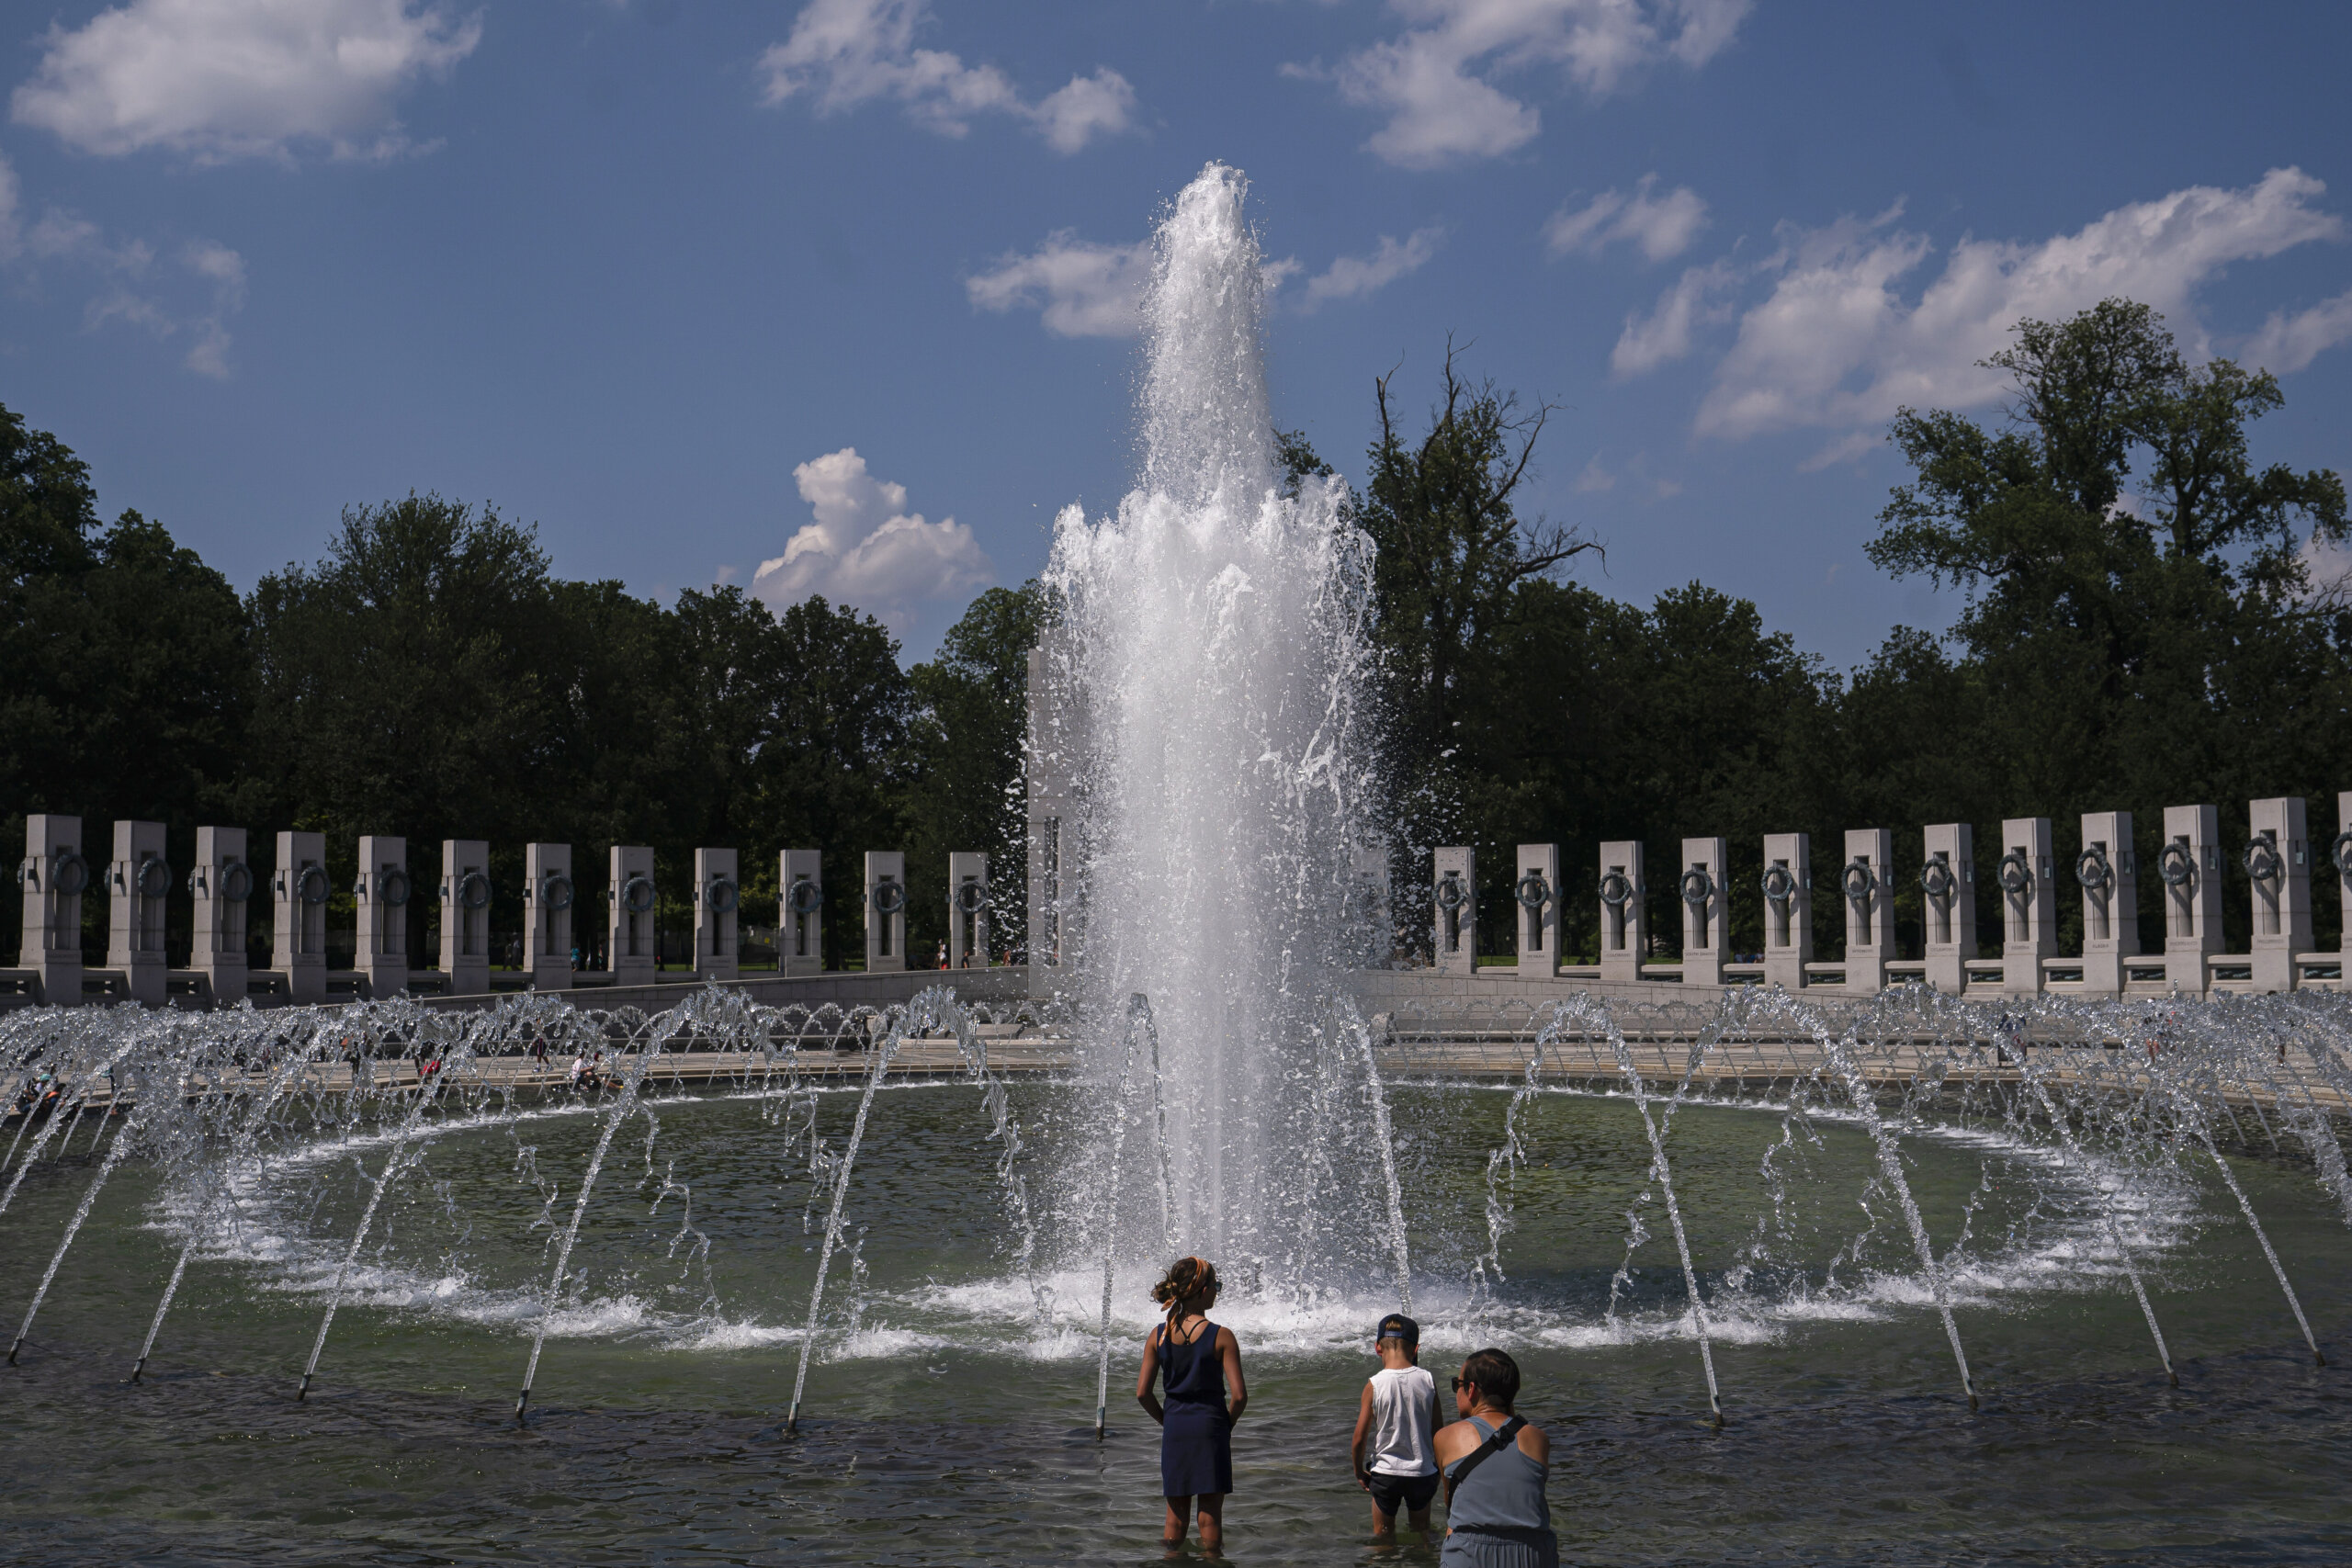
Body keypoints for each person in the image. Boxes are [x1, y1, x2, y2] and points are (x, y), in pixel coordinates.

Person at [1136, 1256, 1247, 1556]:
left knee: (1175, 1516)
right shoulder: (1221, 1336)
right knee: (1210, 1515)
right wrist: (1226, 1425)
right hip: (1211, 1428)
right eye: (1216, 1285)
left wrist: (1167, 1420)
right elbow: (1239, 1396)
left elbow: (1142, 1393)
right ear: (1201, 1290)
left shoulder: (1157, 1336)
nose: (1217, 1291)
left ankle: (1171, 1561)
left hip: (1176, 1429)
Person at [1433, 1348, 1555, 1568]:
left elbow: (1452, 1504)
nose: (1456, 1392)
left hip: (1470, 1553)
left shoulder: (1446, 1437)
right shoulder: (1539, 1438)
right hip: (1533, 1552)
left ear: (1471, 1390)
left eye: (1456, 1385)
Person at [1351, 1312, 1442, 1543]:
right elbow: (1439, 1432)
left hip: (1386, 1474)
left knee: (1382, 1538)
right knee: (1422, 1535)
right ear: (1416, 1348)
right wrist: (1439, 1469)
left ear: (1377, 1348)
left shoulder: (1374, 1384)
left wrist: (1359, 1471)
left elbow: (1359, 1439)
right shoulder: (1428, 1380)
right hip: (1422, 1472)